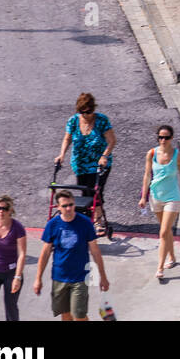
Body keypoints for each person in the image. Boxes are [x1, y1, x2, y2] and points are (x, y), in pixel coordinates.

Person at [34, 189, 109, 321]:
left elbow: (95, 251)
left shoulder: (85, 223)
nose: (68, 208)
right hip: (59, 277)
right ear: (58, 207)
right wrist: (38, 278)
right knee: (66, 315)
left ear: (74, 204)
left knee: (79, 315)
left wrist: (103, 277)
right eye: (64, 206)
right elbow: (45, 253)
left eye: (71, 205)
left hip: (79, 278)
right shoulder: (53, 225)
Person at [55, 93, 115, 236]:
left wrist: (104, 156)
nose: (86, 115)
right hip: (81, 164)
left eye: (89, 112)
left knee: (96, 191)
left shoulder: (101, 120)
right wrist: (62, 154)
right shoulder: (73, 121)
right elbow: (67, 139)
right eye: (82, 112)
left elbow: (112, 140)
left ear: (93, 109)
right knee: (85, 192)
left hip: (99, 163)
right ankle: (87, 219)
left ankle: (98, 220)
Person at [139, 125, 180, 282]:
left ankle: (160, 268)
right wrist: (143, 196)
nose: (163, 140)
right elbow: (147, 175)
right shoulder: (152, 153)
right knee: (166, 230)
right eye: (160, 137)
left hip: (172, 197)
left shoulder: (179, 157)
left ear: (171, 138)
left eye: (166, 137)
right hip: (156, 197)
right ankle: (173, 257)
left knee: (163, 232)